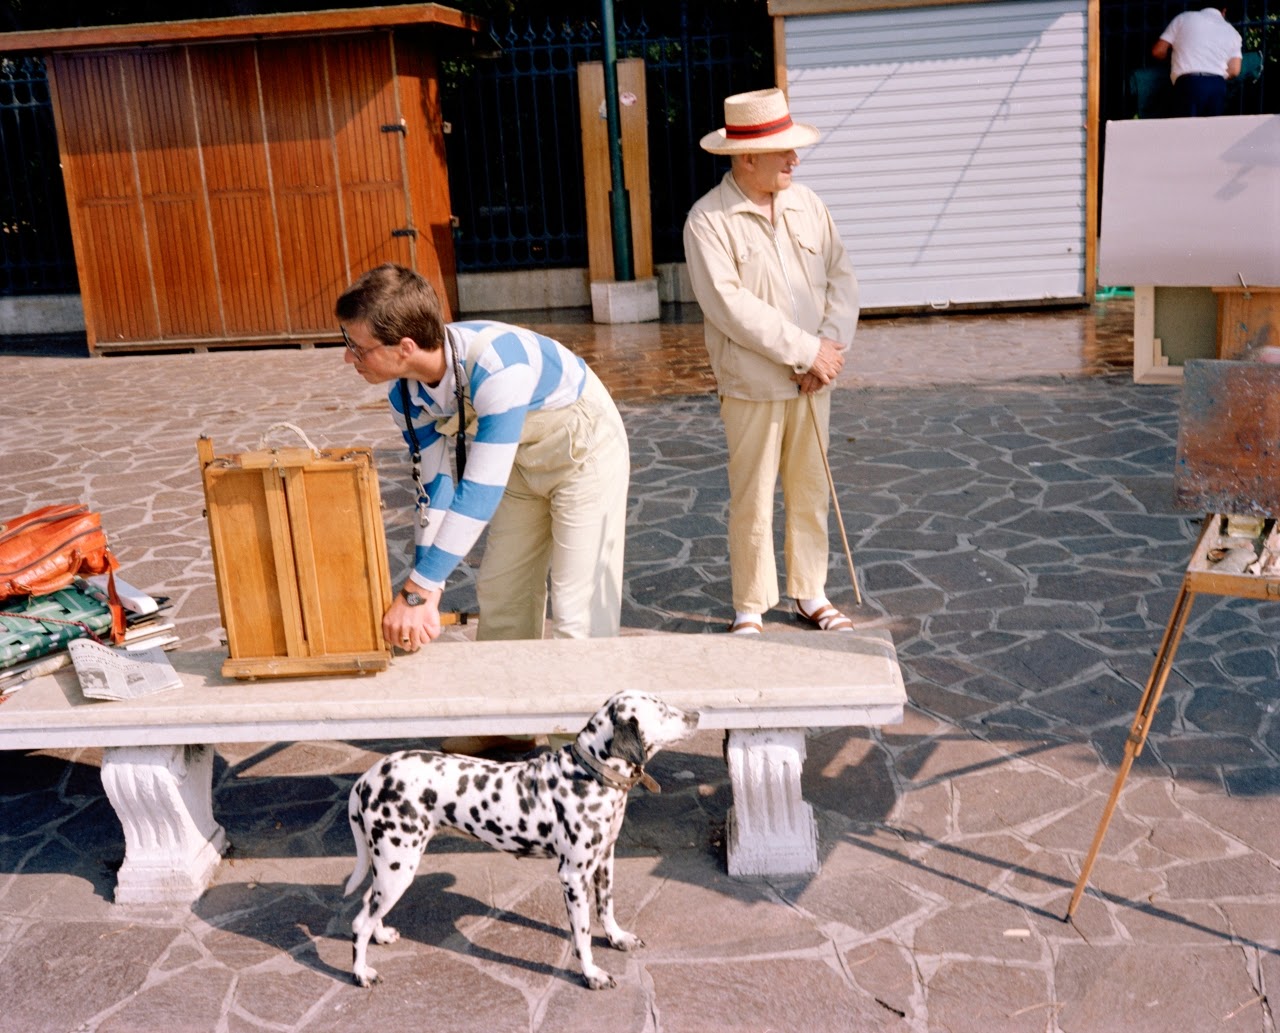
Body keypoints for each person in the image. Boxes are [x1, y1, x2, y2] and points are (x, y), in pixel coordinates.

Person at [335, 264, 630, 654]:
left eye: (358, 346)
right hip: (521, 461)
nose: (347, 356)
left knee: (579, 609)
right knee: (503, 591)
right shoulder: (405, 398)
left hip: (585, 452)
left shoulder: (497, 365)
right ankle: (510, 705)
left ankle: (586, 708)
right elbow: (436, 492)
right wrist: (429, 588)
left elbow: (480, 491)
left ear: (405, 347)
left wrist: (416, 592)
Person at [682, 88, 859, 636]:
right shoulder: (707, 221)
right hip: (753, 384)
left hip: (815, 381)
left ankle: (810, 592)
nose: (795, 159)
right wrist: (805, 350)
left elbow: (842, 279)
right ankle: (750, 605)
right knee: (753, 494)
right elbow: (730, 307)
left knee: (810, 489)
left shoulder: (810, 205)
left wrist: (826, 351)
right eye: (782, 150)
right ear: (746, 156)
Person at [1152, 6, 1242, 117]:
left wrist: (1173, 60)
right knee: (1211, 131)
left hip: (1189, 83)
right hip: (1217, 86)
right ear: (1224, 11)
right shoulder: (1232, 31)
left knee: (1185, 130)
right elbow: (1234, 70)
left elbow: (1158, 51)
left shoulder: (1184, 18)